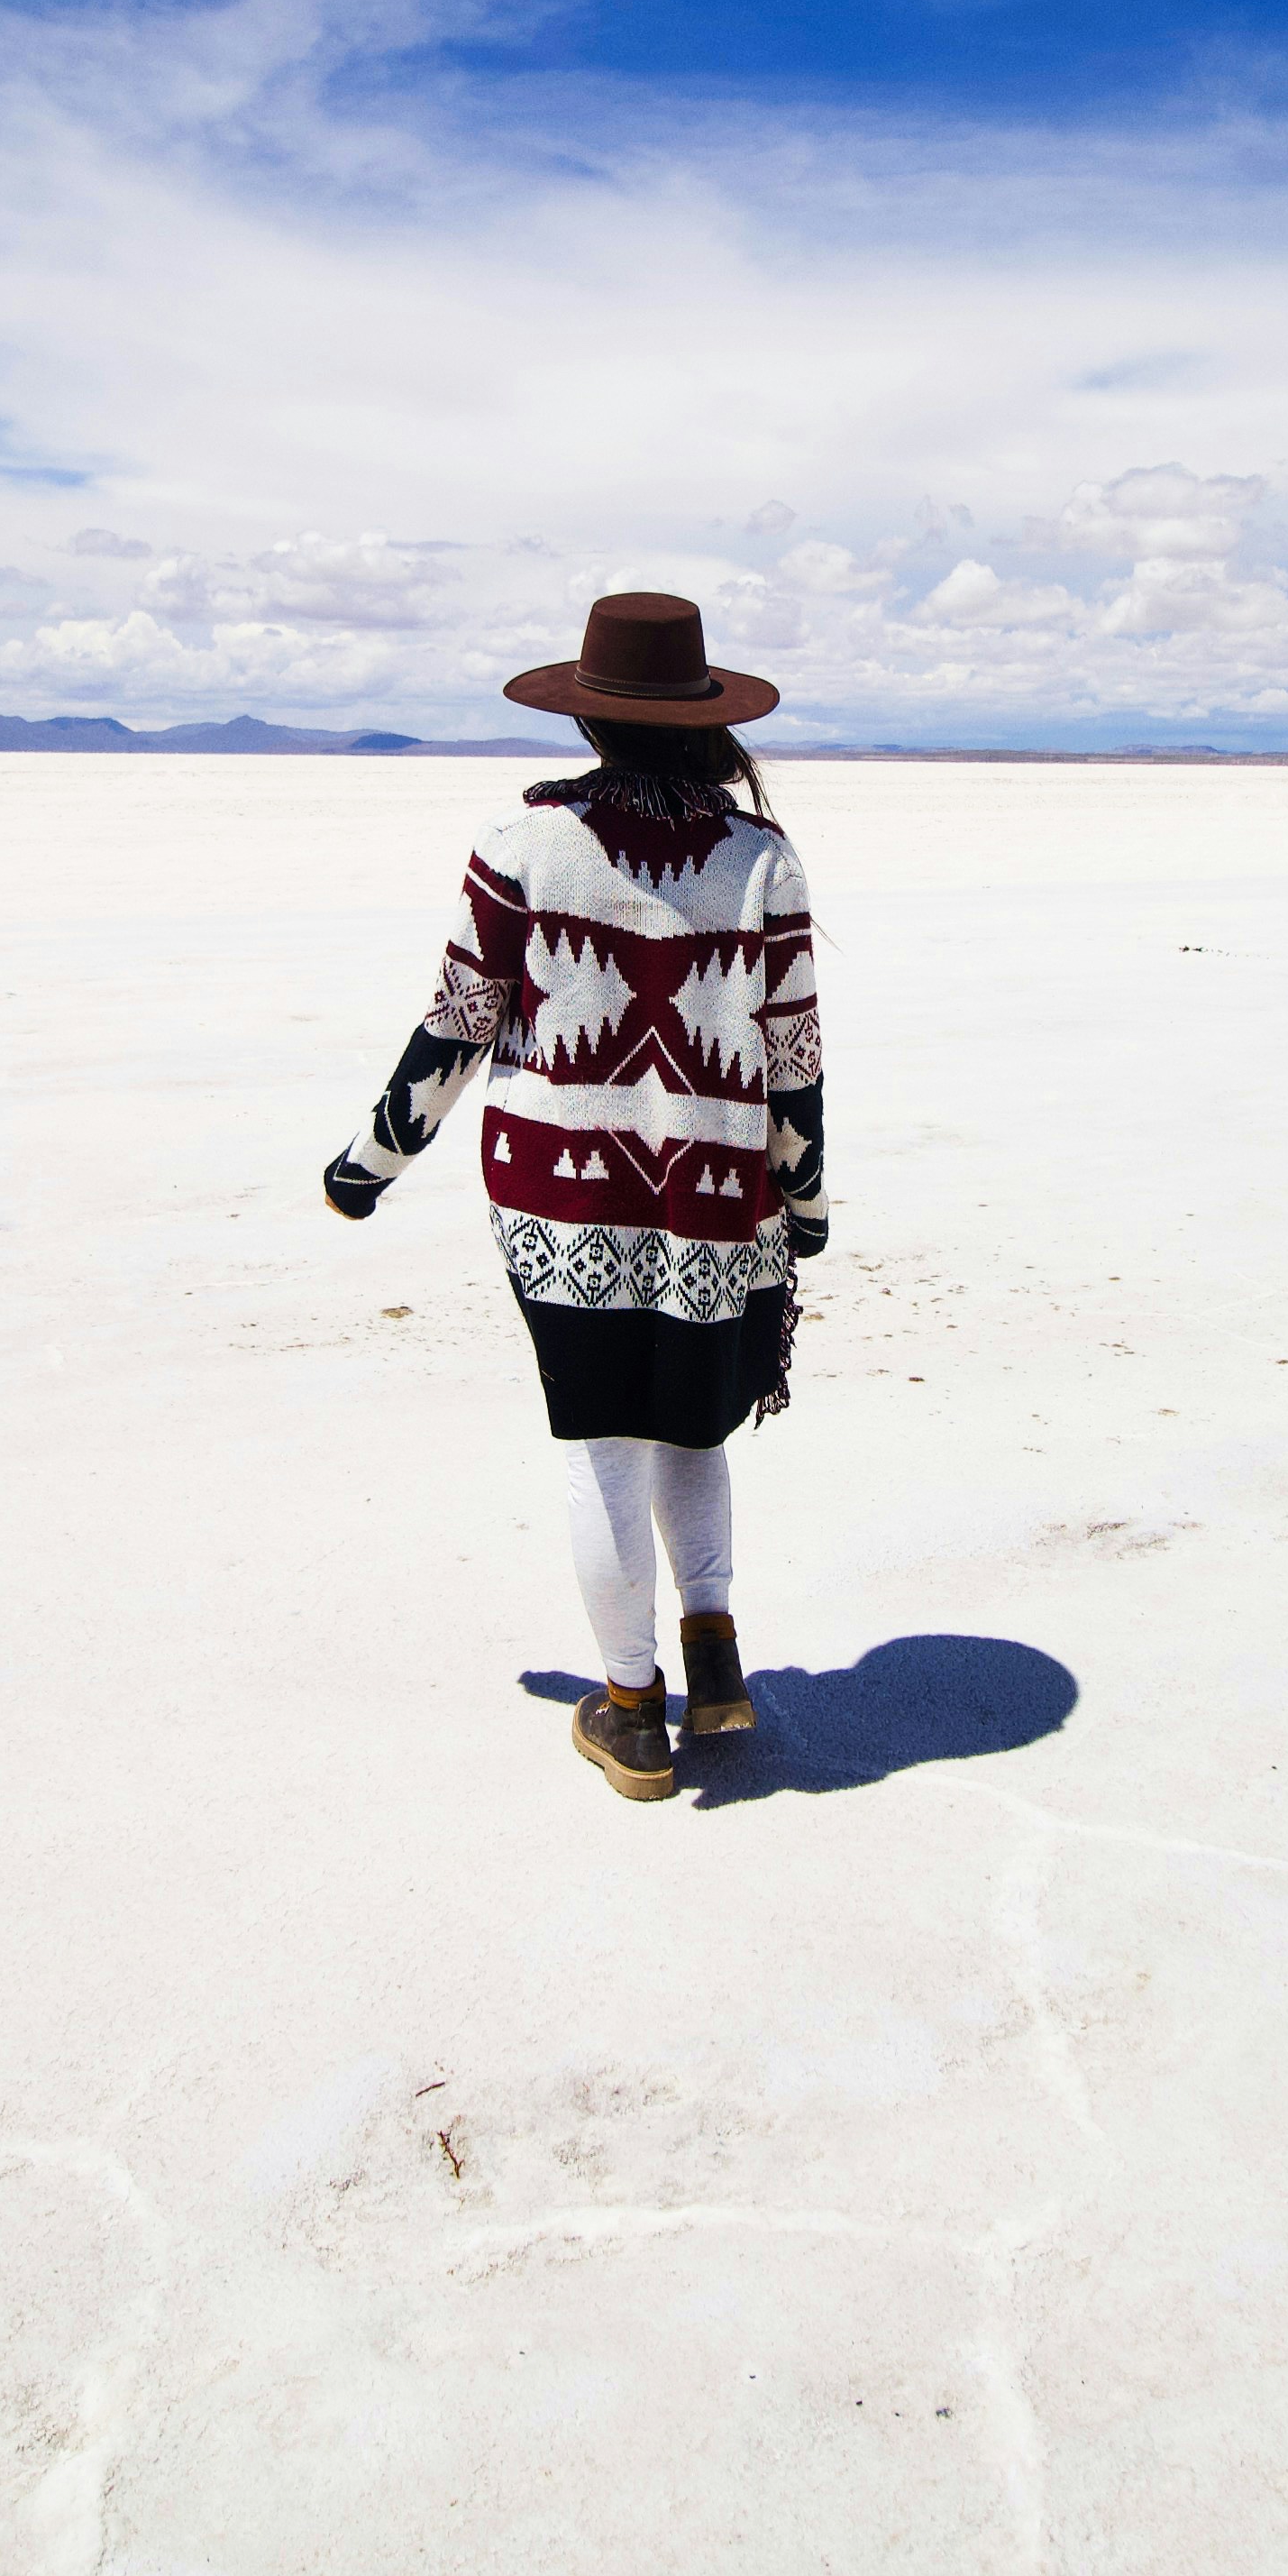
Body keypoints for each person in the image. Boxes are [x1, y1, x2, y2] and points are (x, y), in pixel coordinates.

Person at [323, 592, 828, 1801]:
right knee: (694, 1430)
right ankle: (716, 1671)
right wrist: (802, 1207)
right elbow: (795, 1055)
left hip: (563, 1201)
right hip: (716, 1196)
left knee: (604, 1443)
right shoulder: (762, 859)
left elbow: (458, 1022)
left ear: (590, 720)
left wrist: (369, 1165)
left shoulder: (523, 844)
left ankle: (628, 1708)